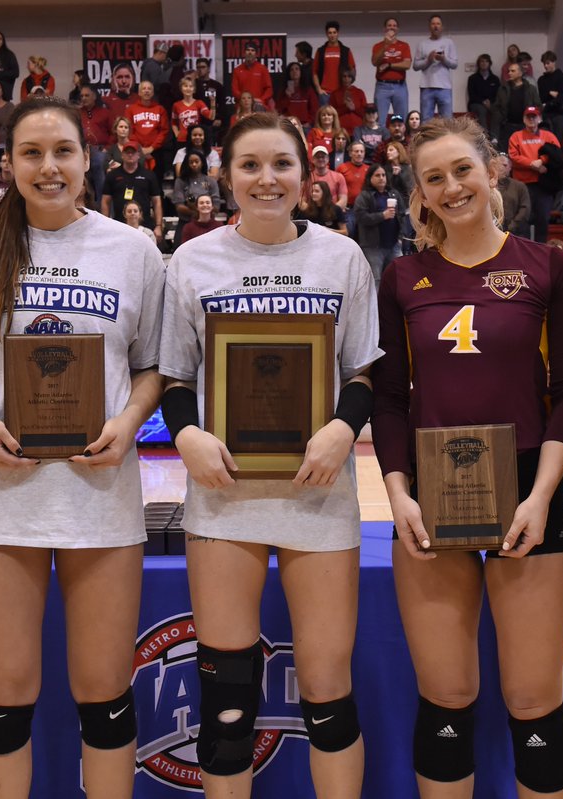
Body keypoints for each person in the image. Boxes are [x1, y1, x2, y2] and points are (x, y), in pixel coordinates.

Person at [0, 95, 164, 797]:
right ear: (8, 163)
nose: (48, 166)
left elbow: (153, 367)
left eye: (62, 150)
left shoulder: (134, 249)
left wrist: (127, 423)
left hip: (100, 495)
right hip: (2, 498)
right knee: (4, 694)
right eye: (31, 153)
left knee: (105, 692)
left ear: (86, 157)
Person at [159, 111, 379, 799]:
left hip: (319, 495)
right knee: (226, 703)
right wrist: (186, 433)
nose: (266, 178)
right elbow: (175, 376)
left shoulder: (341, 256)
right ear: (225, 177)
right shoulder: (192, 259)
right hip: (225, 500)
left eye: (281, 163)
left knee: (327, 692)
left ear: (307, 177)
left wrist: (344, 427)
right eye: (249, 165)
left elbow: (363, 371)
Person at [371, 113, 563, 799]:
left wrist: (542, 494)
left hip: (530, 485)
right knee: (447, 694)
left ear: (492, 169)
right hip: (433, 490)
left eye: (462, 169)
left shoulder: (550, 266)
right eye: (433, 177)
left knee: (533, 699)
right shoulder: (403, 276)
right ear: (420, 194)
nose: (451, 186)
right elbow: (389, 399)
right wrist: (398, 493)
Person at [509, 106, 563, 242]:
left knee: (543, 219)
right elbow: (514, 157)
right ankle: (524, 250)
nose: (531, 119)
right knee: (523, 218)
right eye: (528, 117)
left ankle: (541, 250)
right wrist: (533, 164)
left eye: (534, 116)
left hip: (543, 185)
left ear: (540, 119)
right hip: (522, 185)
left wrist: (542, 161)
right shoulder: (516, 137)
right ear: (523, 119)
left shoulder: (549, 136)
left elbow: (557, 154)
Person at [351, 163, 405, 281]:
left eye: (383, 175)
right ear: (370, 178)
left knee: (399, 276)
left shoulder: (393, 193)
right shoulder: (364, 196)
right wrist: (382, 216)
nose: (381, 178)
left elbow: (402, 214)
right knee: (376, 279)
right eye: (377, 175)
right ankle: (375, 300)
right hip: (373, 246)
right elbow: (361, 217)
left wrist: (400, 237)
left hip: (394, 244)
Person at [102, 139, 162, 239]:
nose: (130, 155)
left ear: (138, 155)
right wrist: (105, 225)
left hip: (145, 225)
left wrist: (159, 225)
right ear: (122, 155)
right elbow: (105, 201)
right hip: (120, 225)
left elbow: (157, 201)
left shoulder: (149, 175)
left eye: (133, 152)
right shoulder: (112, 175)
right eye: (127, 152)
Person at [414, 15, 457, 120]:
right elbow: (415, 66)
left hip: (445, 87)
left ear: (442, 27)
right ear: (429, 26)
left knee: (447, 121)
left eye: (438, 24)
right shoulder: (422, 44)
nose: (436, 26)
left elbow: (454, 64)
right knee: (426, 121)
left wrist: (443, 59)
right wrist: (428, 60)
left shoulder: (449, 43)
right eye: (433, 24)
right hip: (427, 87)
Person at [371, 17, 412, 122]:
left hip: (400, 86)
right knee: (380, 120)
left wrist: (389, 65)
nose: (392, 28)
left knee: (401, 120)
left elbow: (407, 64)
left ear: (397, 29)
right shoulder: (378, 46)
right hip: (382, 86)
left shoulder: (404, 46)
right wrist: (386, 46)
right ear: (385, 28)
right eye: (389, 25)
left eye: (394, 26)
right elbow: (375, 62)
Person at [491, 62, 540, 146]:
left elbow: (537, 105)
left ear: (520, 73)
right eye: (509, 71)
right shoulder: (503, 88)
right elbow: (497, 107)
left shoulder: (531, 88)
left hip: (525, 126)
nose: (509, 73)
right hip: (507, 125)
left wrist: (532, 121)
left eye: (512, 71)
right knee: (507, 151)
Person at [312, 20, 356, 107]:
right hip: (325, 93)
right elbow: (314, 72)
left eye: (334, 32)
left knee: (340, 119)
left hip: (341, 92)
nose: (332, 35)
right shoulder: (320, 51)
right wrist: (318, 89)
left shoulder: (345, 51)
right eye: (330, 33)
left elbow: (352, 70)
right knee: (325, 119)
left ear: (338, 33)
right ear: (326, 34)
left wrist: (348, 87)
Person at [172, 150, 221, 219]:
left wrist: (203, 213)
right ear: (187, 164)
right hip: (186, 220)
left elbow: (216, 206)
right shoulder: (180, 181)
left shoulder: (211, 181)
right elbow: (179, 206)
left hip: (207, 219)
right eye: (191, 162)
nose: (194, 164)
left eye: (196, 162)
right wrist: (196, 213)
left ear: (202, 163)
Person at [538, 51, 563, 141]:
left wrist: (550, 98)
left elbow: (561, 98)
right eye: (544, 63)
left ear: (554, 62)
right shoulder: (541, 79)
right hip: (546, 115)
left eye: (548, 63)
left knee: (557, 141)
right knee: (545, 141)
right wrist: (551, 93)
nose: (545, 66)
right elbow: (542, 98)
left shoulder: (562, 77)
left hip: (559, 114)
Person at [231, 41, 273, 108]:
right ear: (244, 53)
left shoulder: (263, 69)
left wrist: (261, 100)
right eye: (248, 50)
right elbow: (235, 90)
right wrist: (246, 100)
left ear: (256, 54)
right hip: (243, 107)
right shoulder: (237, 70)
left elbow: (269, 89)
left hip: (259, 105)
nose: (250, 52)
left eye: (252, 50)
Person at [277, 63, 318, 128]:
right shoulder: (284, 90)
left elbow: (314, 109)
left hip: (304, 125)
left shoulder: (308, 90)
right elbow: (279, 109)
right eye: (291, 70)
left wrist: (309, 123)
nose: (294, 71)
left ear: (301, 72)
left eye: (297, 69)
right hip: (289, 124)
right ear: (289, 73)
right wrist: (287, 97)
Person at [466, 54, 500, 134]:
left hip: (491, 102)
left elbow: (498, 94)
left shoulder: (495, 79)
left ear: (489, 63)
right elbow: (472, 95)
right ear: (478, 63)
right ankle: (485, 137)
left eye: (486, 61)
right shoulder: (472, 78)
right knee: (482, 110)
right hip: (476, 103)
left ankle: (494, 138)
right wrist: (483, 101)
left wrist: (490, 102)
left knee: (497, 112)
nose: (484, 63)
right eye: (482, 61)